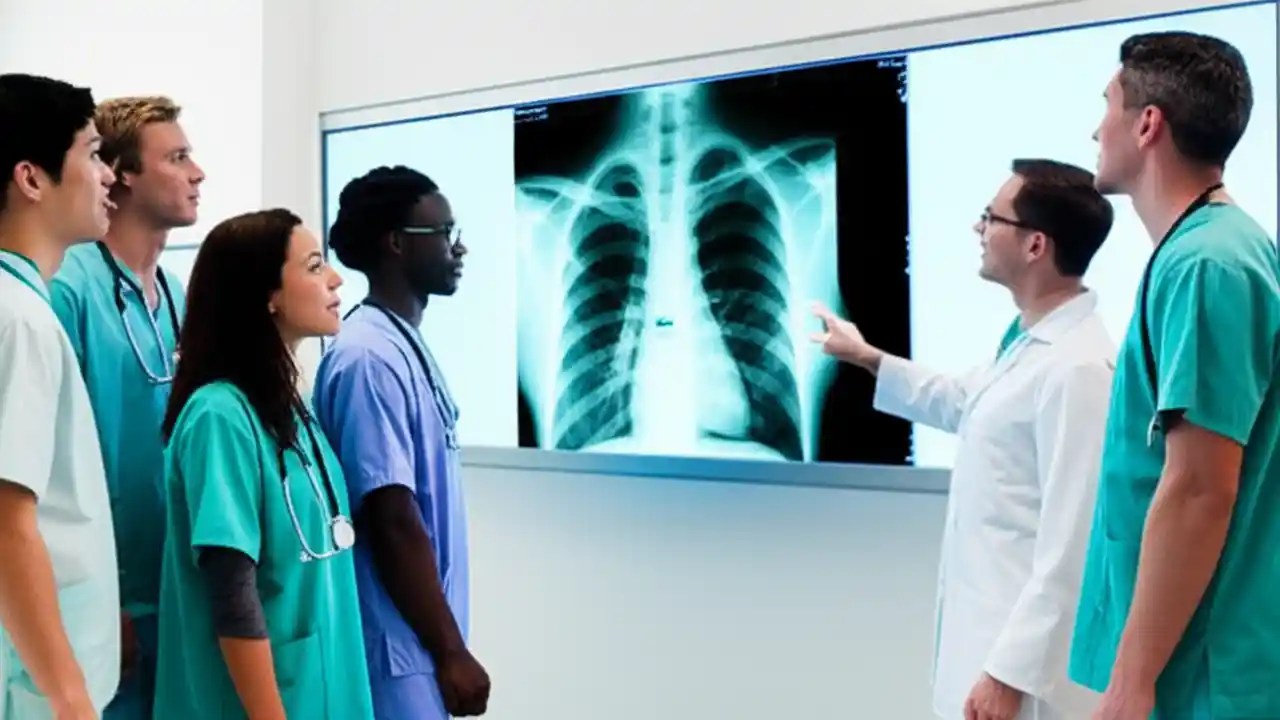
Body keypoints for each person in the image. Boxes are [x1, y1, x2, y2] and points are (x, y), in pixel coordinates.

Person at [813, 159, 1116, 720]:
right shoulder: (1031, 346)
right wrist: (866, 357)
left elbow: (1071, 544)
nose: (979, 229)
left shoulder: (1079, 370)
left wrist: (1008, 674)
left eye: (990, 218)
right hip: (984, 648)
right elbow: (963, 401)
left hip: (1018, 675)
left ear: (1035, 246)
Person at [1068, 32, 1280, 720]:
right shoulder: (1201, 253)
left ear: (1148, 123)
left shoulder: (1209, 265)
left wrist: (1133, 680)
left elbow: (1198, 489)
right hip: (1188, 660)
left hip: (1204, 672)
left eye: (1106, 106)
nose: (1096, 127)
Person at [152, 208, 374, 719]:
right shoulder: (219, 415)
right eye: (316, 266)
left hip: (323, 688)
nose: (336, 279)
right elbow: (231, 589)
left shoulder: (288, 408)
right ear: (266, 294)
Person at [313, 166, 489, 719]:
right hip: (398, 653)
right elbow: (390, 516)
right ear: (395, 243)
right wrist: (450, 650)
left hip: (417, 646)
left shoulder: (398, 343)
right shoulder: (368, 357)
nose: (457, 246)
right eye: (443, 232)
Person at [49, 95, 204, 719]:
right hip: (100, 603)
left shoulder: (173, 293)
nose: (198, 172)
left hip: (174, 593)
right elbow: (48, 469)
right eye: (179, 157)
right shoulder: (70, 287)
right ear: (122, 173)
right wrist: (100, 601)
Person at [0, 73, 121, 719]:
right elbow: (7, 526)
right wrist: (68, 695)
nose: (109, 176)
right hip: (33, 693)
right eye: (94, 152)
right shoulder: (20, 320)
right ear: (31, 178)